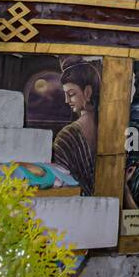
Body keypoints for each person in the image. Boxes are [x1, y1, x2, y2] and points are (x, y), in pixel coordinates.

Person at [51, 57, 99, 193]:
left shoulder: (67, 136)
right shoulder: (110, 126)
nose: (67, 100)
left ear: (87, 92)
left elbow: (60, 180)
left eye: (71, 94)